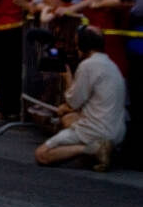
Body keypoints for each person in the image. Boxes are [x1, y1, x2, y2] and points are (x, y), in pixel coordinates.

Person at [35, 26, 126, 171]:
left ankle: (90, 149)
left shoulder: (88, 66)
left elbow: (73, 101)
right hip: (116, 130)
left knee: (42, 154)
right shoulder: (111, 65)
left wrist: (67, 78)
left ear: (83, 46)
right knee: (68, 118)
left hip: (96, 130)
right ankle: (99, 151)